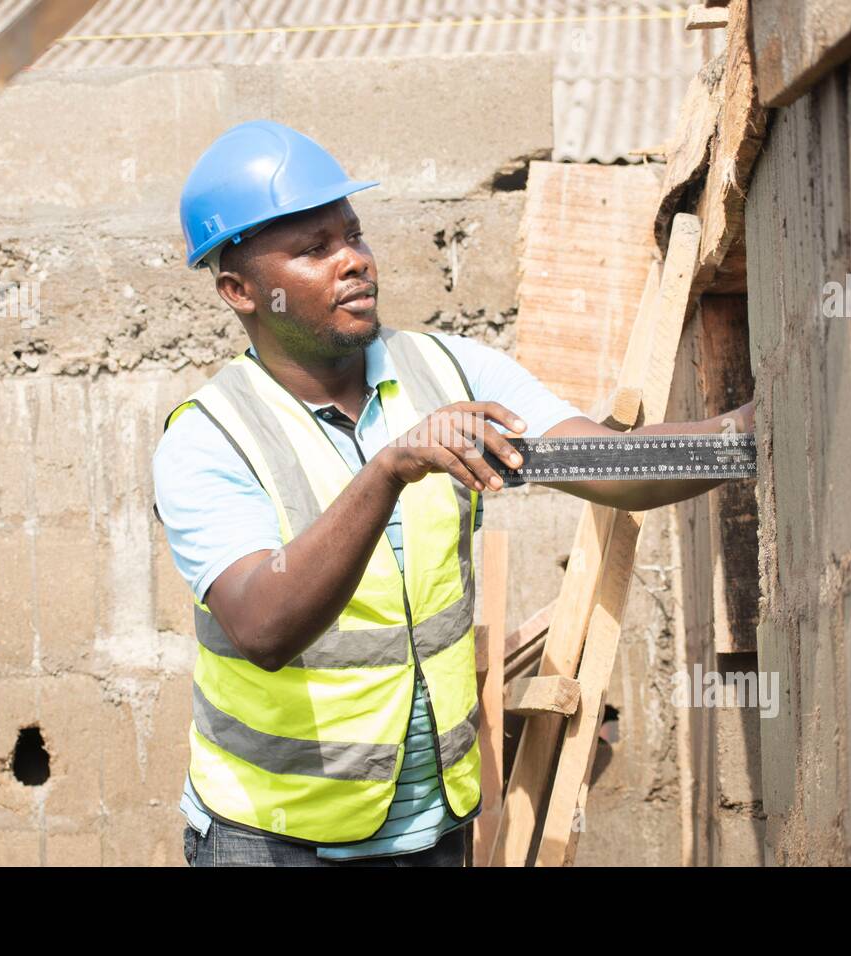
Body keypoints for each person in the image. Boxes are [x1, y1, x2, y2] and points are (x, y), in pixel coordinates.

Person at [153, 120, 753, 867]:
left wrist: (755, 429)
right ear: (240, 291)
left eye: (355, 235)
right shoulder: (209, 435)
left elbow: (614, 466)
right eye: (315, 249)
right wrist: (387, 470)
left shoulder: (449, 372)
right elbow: (262, 627)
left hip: (436, 822)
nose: (354, 262)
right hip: (273, 837)